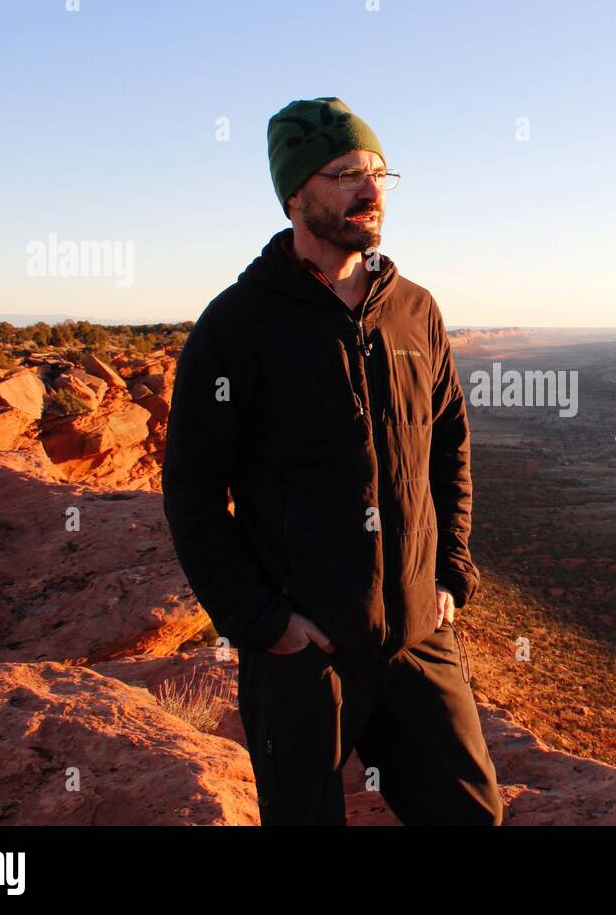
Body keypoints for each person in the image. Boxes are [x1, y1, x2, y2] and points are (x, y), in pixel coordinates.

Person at [161, 96, 503, 826]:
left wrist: (452, 574)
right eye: (346, 172)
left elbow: (450, 449)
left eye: (380, 172)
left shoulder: (415, 309)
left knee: (472, 816)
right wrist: (261, 620)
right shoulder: (238, 325)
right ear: (294, 194)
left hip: (418, 635)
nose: (371, 190)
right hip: (303, 652)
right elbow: (192, 495)